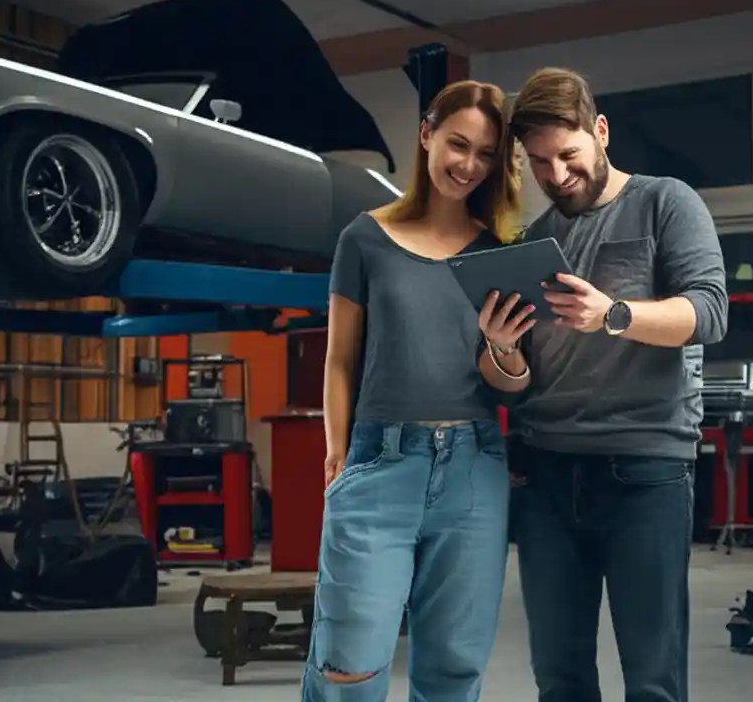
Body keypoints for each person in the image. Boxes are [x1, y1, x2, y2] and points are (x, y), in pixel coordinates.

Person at [498, 66, 729, 702]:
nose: (556, 175)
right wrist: (498, 345)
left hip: (645, 470)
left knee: (653, 679)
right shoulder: (533, 241)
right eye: (539, 162)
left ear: (600, 132)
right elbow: (516, 376)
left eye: (568, 155)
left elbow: (709, 312)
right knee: (560, 678)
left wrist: (615, 314)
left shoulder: (666, 202)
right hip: (545, 476)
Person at [301, 79, 532, 702]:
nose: (468, 165)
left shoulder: (498, 253)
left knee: (454, 669)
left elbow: (509, 381)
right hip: (379, 461)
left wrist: (504, 347)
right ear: (426, 135)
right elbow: (340, 358)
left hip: (475, 468)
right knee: (349, 659)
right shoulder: (363, 239)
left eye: (486, 154)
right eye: (458, 144)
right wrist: (336, 449)